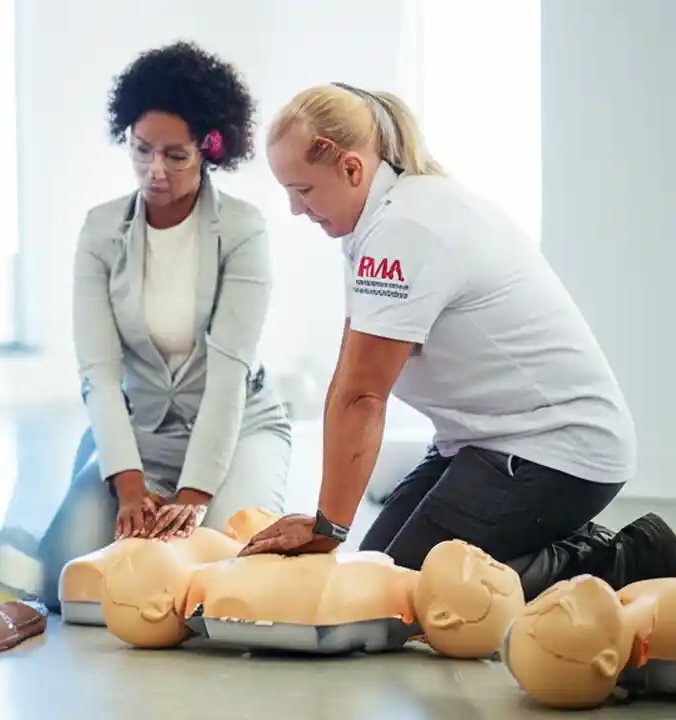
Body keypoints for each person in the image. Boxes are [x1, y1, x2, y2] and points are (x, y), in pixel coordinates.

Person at [240, 82, 676, 599]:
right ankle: (541, 535)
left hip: (559, 449)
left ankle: (634, 559)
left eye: (303, 190)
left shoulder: (406, 227)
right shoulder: (380, 221)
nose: (294, 209)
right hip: (483, 442)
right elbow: (347, 378)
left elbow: (361, 395)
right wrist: (328, 524)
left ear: (351, 168)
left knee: (408, 591)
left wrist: (327, 527)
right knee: (377, 568)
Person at [30, 41, 293, 609]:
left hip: (238, 426)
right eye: (142, 149)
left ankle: (253, 493)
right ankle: (75, 492)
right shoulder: (100, 231)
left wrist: (194, 498)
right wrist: (128, 486)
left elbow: (228, 374)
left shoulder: (244, 233)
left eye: (175, 156)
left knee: (221, 577)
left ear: (209, 149)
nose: (155, 171)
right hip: (144, 434)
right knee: (64, 582)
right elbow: (98, 375)